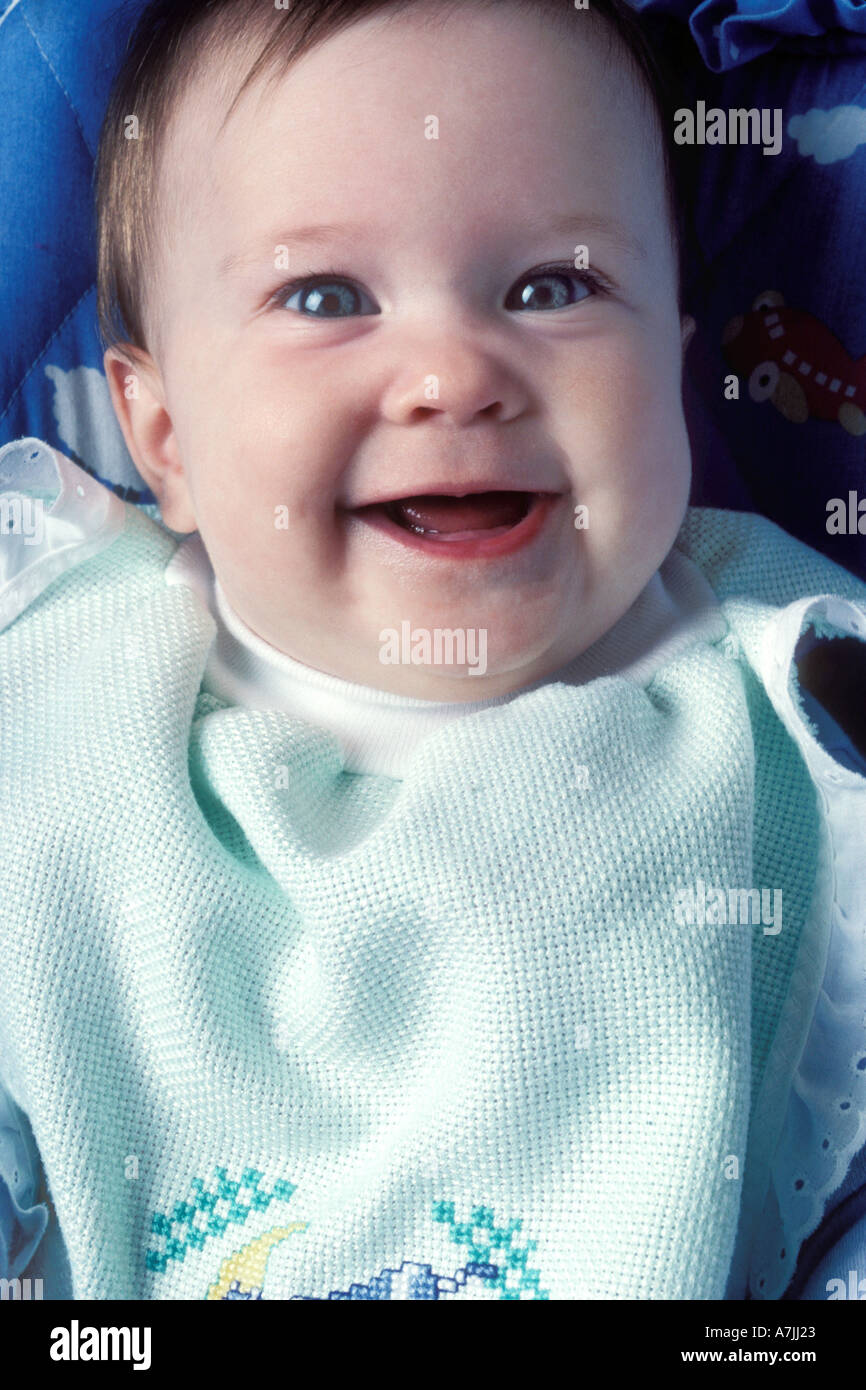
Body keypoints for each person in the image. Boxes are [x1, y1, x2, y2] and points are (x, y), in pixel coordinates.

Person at [1, 0, 864, 1301]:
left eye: (552, 287)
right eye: (326, 296)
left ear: (673, 368)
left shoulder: (783, 704)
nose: (451, 374)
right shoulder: (59, 682)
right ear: (165, 436)